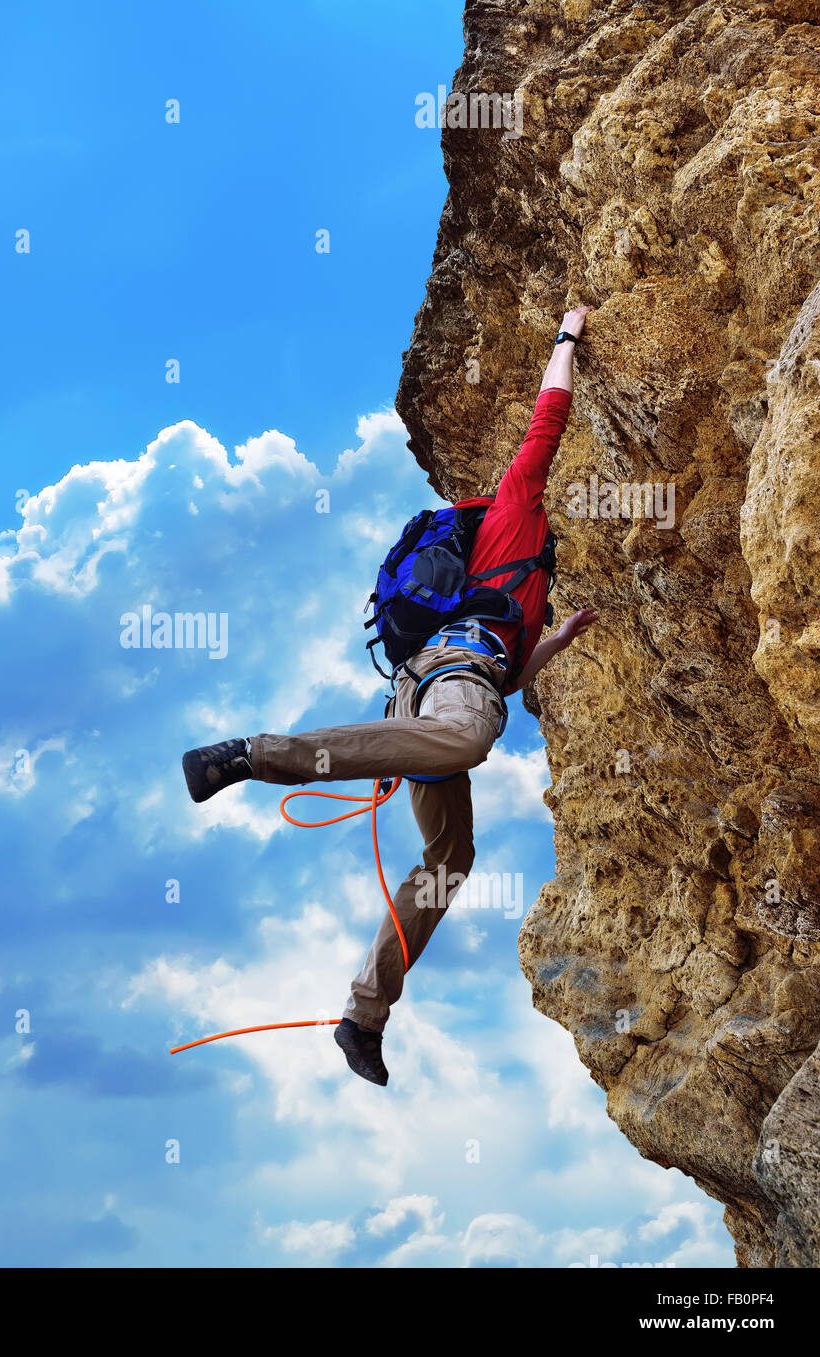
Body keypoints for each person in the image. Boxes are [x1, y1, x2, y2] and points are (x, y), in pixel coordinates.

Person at [181, 306, 599, 1085]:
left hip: (430, 696)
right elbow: (549, 420)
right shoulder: (515, 509)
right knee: (472, 740)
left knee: (451, 856)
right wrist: (566, 337)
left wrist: (557, 641)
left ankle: (361, 1017)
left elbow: (503, 673)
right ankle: (251, 754)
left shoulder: (513, 590)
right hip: (449, 701)